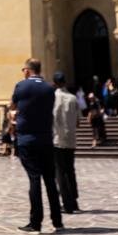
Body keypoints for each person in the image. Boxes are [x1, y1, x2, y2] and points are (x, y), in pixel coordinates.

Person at [11, 58, 62, 234]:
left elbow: (13, 106)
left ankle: (36, 222)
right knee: (50, 180)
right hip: (46, 139)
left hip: (27, 139)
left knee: (34, 179)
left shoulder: (21, 86)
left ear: (27, 70)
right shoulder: (50, 89)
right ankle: (57, 220)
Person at [51, 71, 80, 214]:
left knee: (60, 173)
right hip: (71, 139)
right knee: (70, 170)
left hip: (56, 139)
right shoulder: (73, 98)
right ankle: (74, 201)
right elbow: (78, 122)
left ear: (54, 83)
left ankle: (66, 203)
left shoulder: (52, 98)